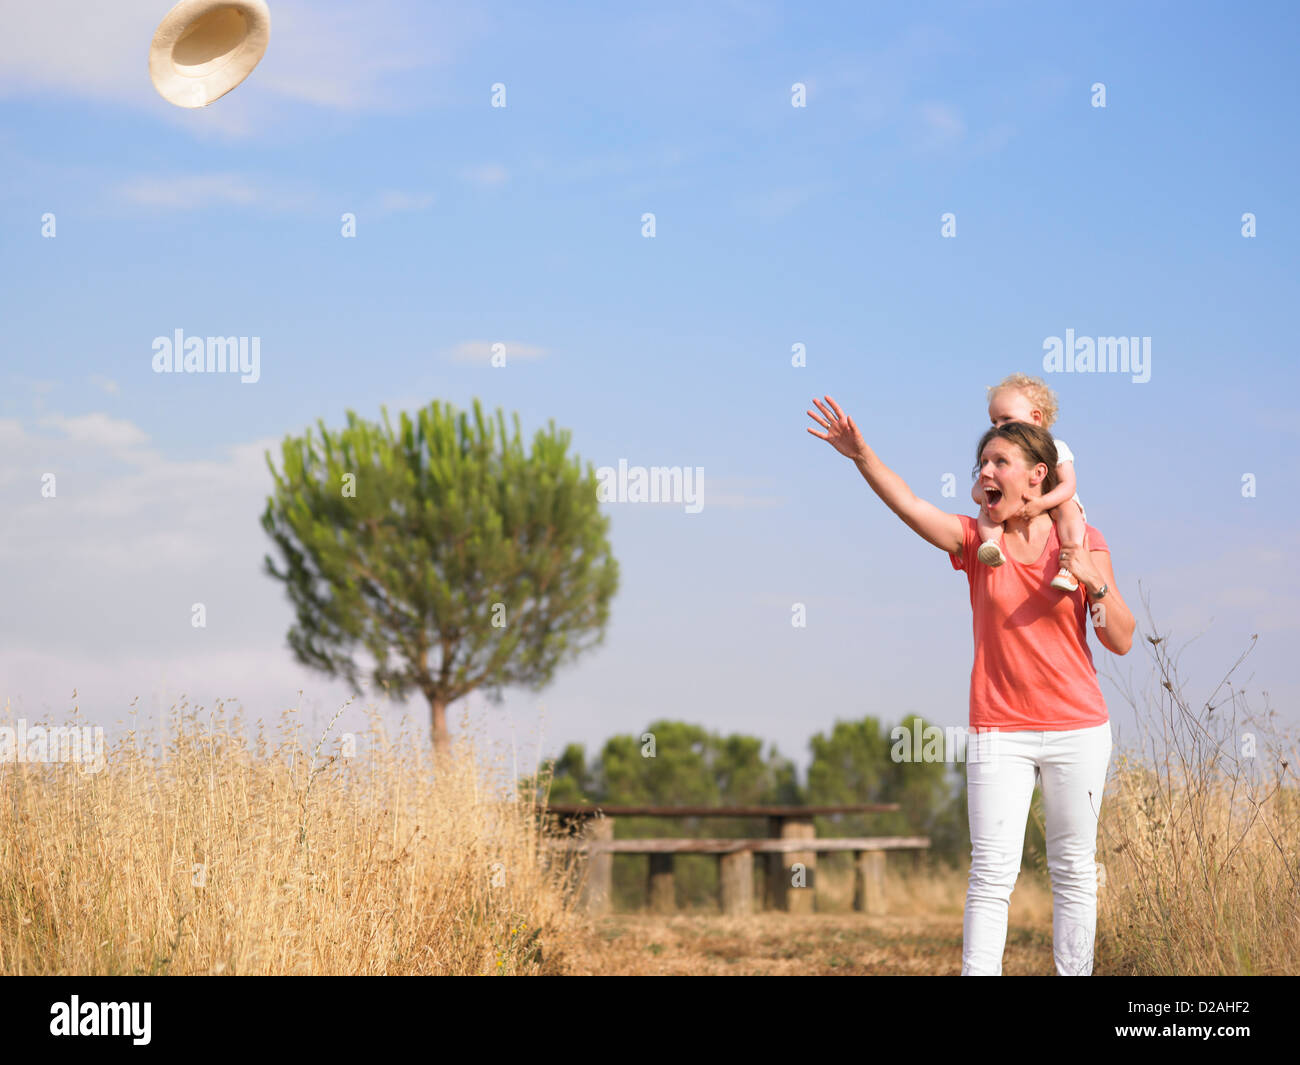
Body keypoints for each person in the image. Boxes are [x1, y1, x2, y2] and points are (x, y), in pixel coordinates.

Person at [806, 394, 1134, 976]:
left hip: (1078, 730)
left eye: (999, 462)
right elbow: (909, 504)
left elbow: (1121, 639)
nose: (985, 472)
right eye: (981, 464)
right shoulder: (977, 543)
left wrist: (1096, 586)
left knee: (1075, 869)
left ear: (1038, 476)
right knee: (991, 871)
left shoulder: (1083, 541)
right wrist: (862, 457)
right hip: (998, 730)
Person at [973, 373, 1088, 592]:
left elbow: (1068, 485)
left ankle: (1071, 565)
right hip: (1016, 506)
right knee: (987, 508)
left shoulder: (1056, 447)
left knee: (1069, 508)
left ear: (1036, 418)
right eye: (994, 421)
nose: (998, 427)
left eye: (1006, 419)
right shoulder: (997, 454)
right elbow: (977, 490)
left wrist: (1042, 504)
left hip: (1053, 501)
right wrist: (987, 499)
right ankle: (991, 544)